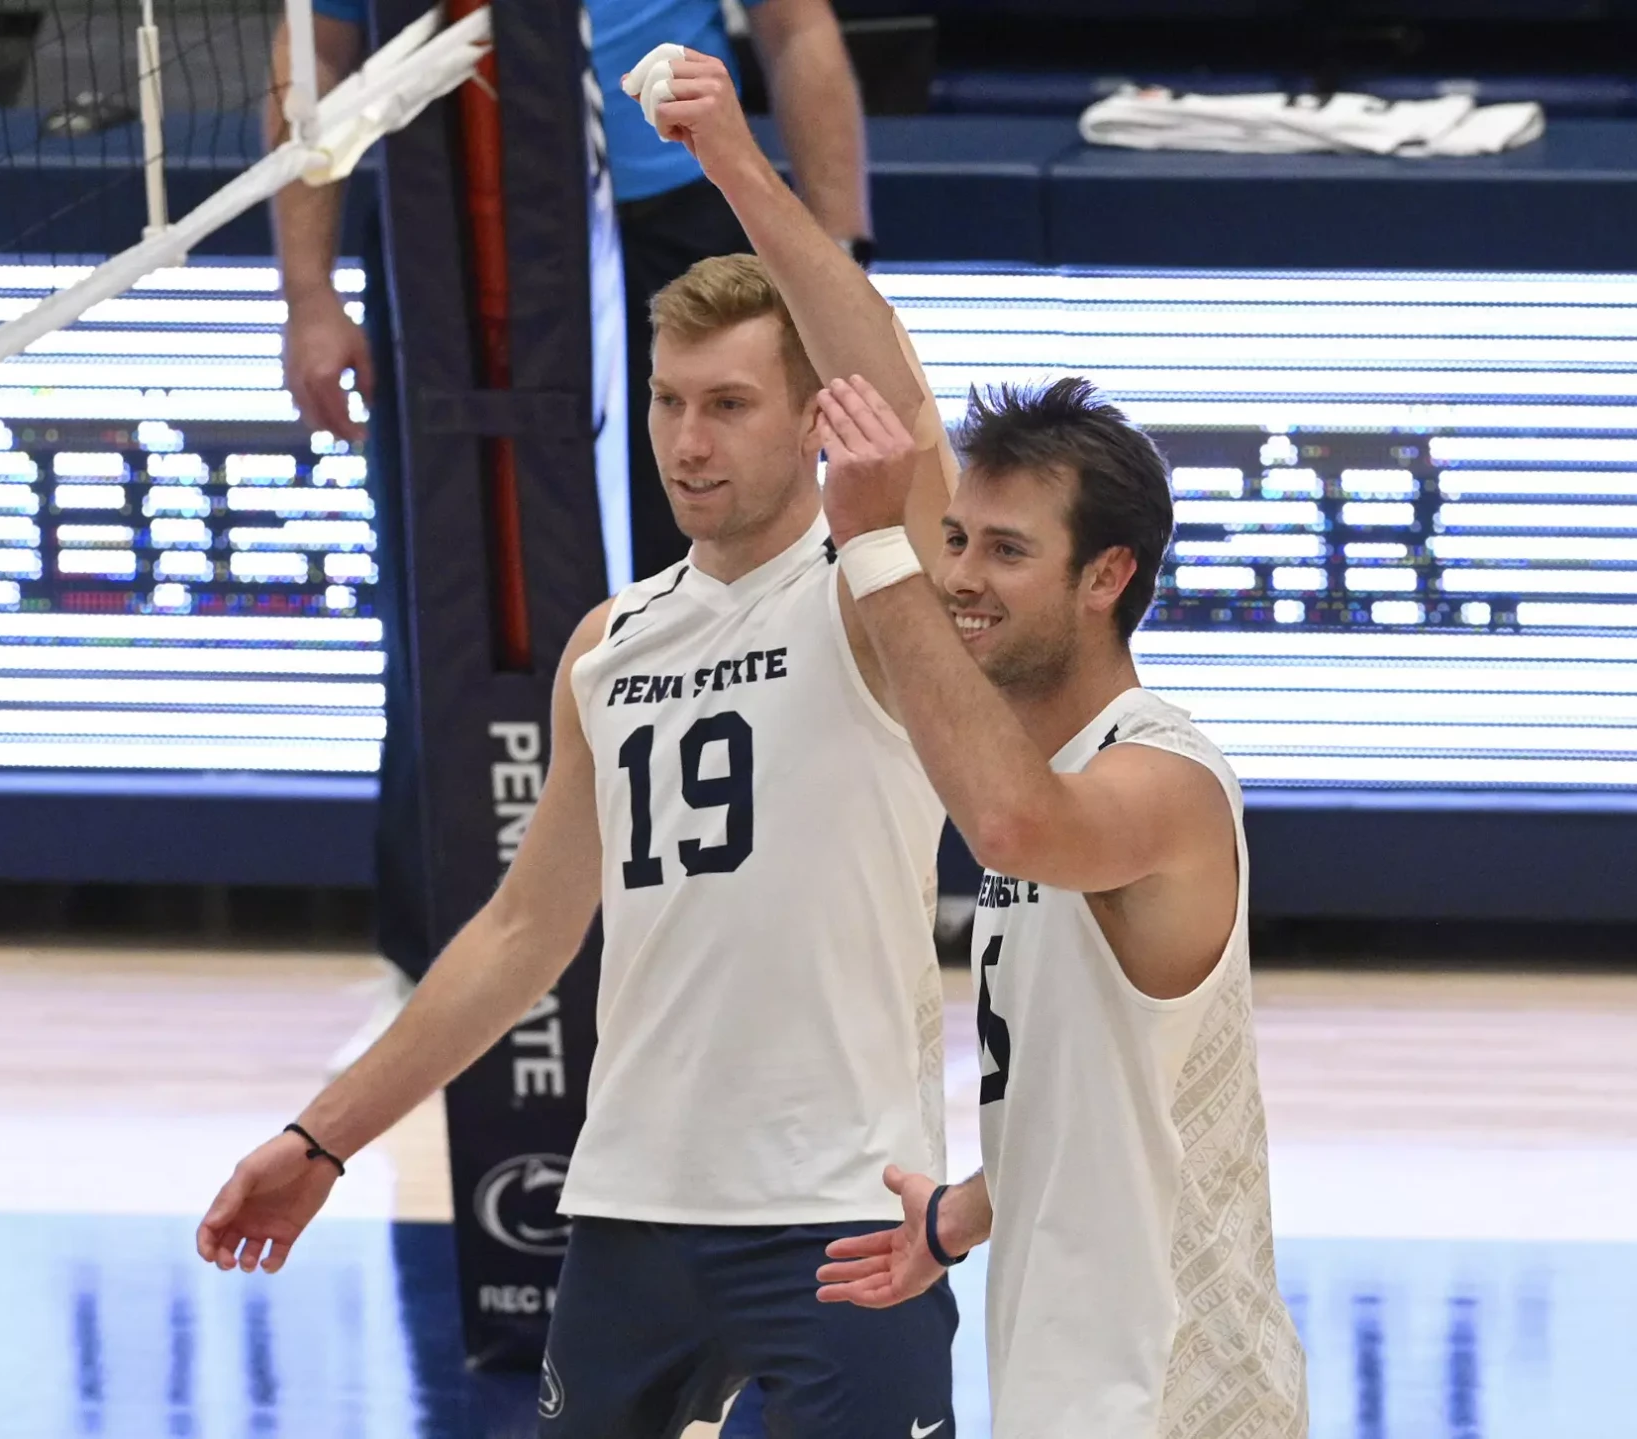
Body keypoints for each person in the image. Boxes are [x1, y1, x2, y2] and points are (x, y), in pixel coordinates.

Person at [203, 49, 960, 1439]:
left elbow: (900, 393)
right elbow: (517, 935)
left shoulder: (873, 586)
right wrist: (324, 1136)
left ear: (808, 416)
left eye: (726, 404)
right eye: (669, 400)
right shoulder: (610, 643)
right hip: (630, 1208)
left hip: (844, 1210)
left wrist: (735, 158)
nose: (686, 437)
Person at [265, 0, 871, 1057]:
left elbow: (799, 32)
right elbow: (315, 52)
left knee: (714, 599)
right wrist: (309, 294)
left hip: (670, 217)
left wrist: (838, 265)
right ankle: (448, 965)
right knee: (449, 606)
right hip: (450, 229)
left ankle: (722, 948)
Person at [809, 376, 1310, 1436]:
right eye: (952, 540)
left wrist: (872, 549)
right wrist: (965, 1211)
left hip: (1177, 1388)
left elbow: (1012, 824)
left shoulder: (1163, 777)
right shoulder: (1054, 780)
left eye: (1005, 549)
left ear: (1108, 574)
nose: (960, 576)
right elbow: (1096, 1087)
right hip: (1066, 1376)